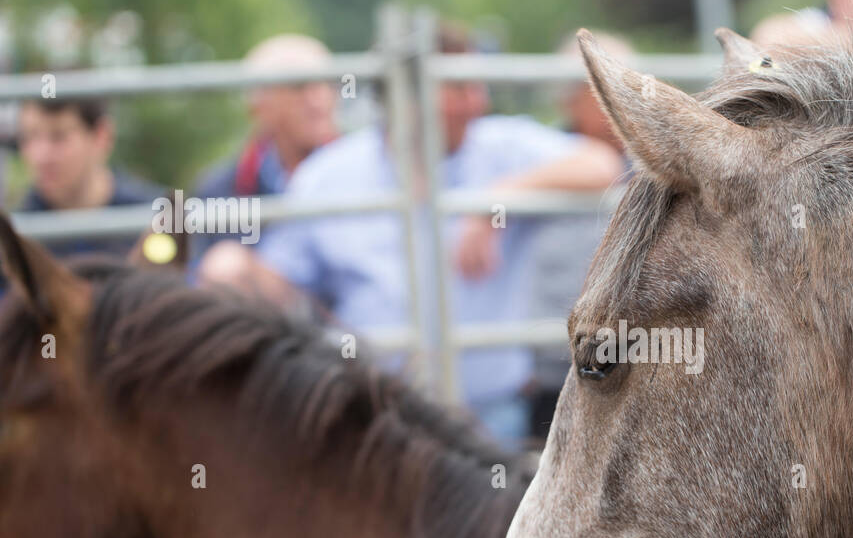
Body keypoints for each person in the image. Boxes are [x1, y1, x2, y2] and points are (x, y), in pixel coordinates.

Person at [197, 25, 624, 447]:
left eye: (477, 86)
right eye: (459, 88)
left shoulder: (502, 147)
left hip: (490, 416)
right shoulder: (328, 176)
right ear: (409, 98)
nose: (479, 102)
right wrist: (235, 272)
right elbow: (285, 283)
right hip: (373, 418)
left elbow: (603, 164)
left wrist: (495, 199)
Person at [524, 30, 637, 441]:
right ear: (572, 98)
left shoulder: (650, 161)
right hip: (552, 367)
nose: (622, 95)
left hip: (633, 359)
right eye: (604, 86)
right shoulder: (543, 153)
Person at [10, 96, 164, 262]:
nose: (41, 155)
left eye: (59, 136)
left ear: (102, 136)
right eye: (29, 137)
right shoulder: (14, 238)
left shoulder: (157, 218)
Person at [194, 34, 339, 201]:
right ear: (259, 106)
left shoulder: (365, 177)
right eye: (298, 87)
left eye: (327, 83)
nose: (318, 101)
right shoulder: (219, 193)